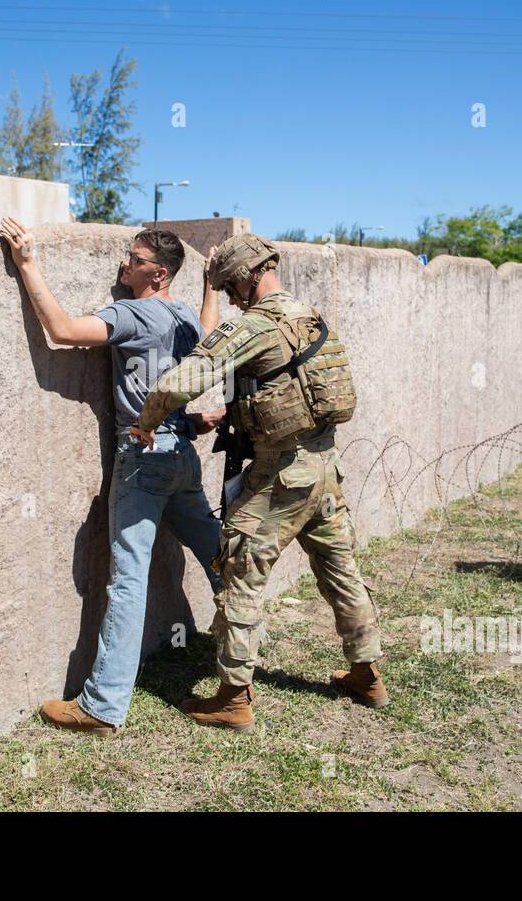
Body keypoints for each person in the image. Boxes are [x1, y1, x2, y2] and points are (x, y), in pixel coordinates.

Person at [131, 233, 386, 732]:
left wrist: (146, 421)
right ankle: (366, 672)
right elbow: (293, 389)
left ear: (250, 275)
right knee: (341, 573)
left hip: (281, 479)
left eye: (229, 286)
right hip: (324, 472)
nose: (228, 296)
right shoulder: (308, 316)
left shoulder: (253, 326)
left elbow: (180, 381)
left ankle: (232, 697)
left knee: (239, 575)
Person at [0, 217, 224, 735]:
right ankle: (240, 664)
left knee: (126, 580)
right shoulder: (183, 315)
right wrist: (210, 289)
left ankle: (101, 706)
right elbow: (209, 336)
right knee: (220, 555)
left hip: (142, 456)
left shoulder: (134, 314)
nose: (124, 263)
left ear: (159, 273)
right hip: (181, 452)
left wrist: (28, 263)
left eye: (134, 258)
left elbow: (61, 331)